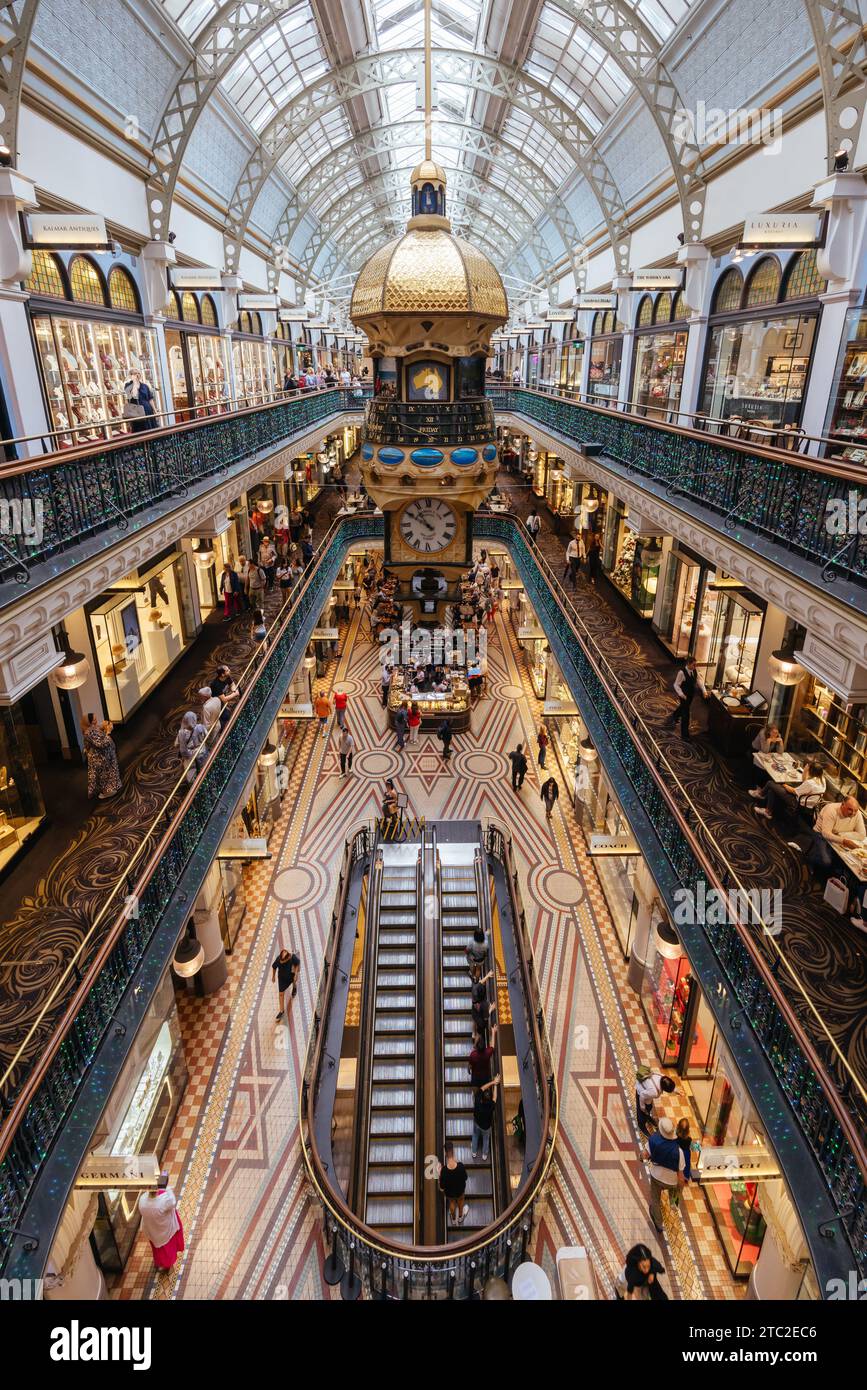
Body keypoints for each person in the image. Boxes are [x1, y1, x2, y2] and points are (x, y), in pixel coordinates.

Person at [751, 760, 826, 833]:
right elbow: (804, 782)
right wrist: (805, 771)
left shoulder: (811, 783)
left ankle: (760, 794)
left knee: (771, 783)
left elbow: (794, 791)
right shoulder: (822, 780)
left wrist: (783, 784)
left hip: (796, 802)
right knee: (772, 789)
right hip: (808, 805)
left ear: (811, 771)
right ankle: (768, 811)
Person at [804, 797, 866, 880]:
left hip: (840, 837)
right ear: (842, 805)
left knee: (851, 860)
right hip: (820, 835)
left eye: (855, 810)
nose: (853, 813)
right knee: (826, 861)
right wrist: (844, 841)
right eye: (850, 810)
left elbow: (862, 834)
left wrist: (841, 835)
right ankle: (810, 859)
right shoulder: (831, 810)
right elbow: (826, 834)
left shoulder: (857, 813)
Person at [645, 1115, 686, 1232]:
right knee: (674, 1190)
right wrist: (679, 1191)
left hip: (656, 1177)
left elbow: (644, 1155)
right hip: (671, 1181)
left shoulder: (653, 1140)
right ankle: (674, 1204)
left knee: (655, 1200)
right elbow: (681, 1178)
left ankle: (658, 1224)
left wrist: (641, 1157)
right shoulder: (679, 1152)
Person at [138, 1175, 184, 1270]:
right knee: (168, 1250)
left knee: (158, 1250)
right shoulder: (163, 1201)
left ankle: (160, 1262)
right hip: (165, 1230)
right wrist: (166, 1187)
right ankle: (167, 1265)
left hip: (152, 1231)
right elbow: (172, 1201)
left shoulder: (142, 1200)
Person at [665, 656, 707, 741]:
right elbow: (676, 685)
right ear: (688, 664)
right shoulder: (681, 672)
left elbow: (699, 680)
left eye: (695, 665)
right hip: (684, 696)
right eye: (694, 665)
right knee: (686, 715)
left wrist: (704, 691)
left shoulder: (694, 671)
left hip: (691, 695)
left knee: (684, 707)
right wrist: (682, 695)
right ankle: (685, 735)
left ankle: (675, 715)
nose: (695, 667)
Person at [84, 718, 122, 800]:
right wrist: (108, 731)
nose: (96, 721)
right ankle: (107, 791)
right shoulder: (89, 733)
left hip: (102, 756)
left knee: (108, 772)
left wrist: (103, 727)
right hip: (100, 757)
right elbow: (102, 743)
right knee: (105, 774)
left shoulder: (92, 730)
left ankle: (109, 788)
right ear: (88, 722)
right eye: (93, 719)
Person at [636, 1068, 676, 1136]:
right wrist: (642, 1108)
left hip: (647, 1092)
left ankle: (647, 1117)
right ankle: (641, 1125)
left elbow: (669, 1086)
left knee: (649, 1107)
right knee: (642, 1112)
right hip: (641, 1092)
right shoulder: (654, 1092)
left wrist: (676, 1091)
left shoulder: (663, 1078)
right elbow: (642, 1096)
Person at [438, 1141, 469, 1227]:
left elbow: (442, 1187)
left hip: (450, 1193)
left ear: (445, 1154)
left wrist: (439, 1174)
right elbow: (465, 1178)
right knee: (461, 1201)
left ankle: (453, 1218)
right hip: (460, 1191)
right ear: (453, 1152)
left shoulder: (444, 1170)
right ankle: (460, 1217)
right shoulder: (461, 1166)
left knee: (451, 1203)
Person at [471, 1073, 501, 1160]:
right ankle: (484, 1155)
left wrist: (493, 1082)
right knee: (486, 1139)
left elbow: (482, 1088)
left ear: (482, 1098)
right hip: (486, 1127)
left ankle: (474, 1152)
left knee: (475, 1135)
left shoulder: (477, 1100)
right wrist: (496, 1084)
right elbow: (495, 1097)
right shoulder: (491, 1105)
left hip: (477, 1123)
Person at [175, 710, 206, 782]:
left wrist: (188, 756)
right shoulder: (200, 727)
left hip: (190, 755)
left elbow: (183, 750)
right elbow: (206, 735)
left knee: (191, 774)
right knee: (204, 768)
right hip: (201, 751)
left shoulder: (182, 733)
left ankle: (195, 787)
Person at [272, 946, 300, 1020]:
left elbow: (297, 964)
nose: (281, 962)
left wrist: (296, 974)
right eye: (281, 960)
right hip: (282, 978)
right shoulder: (278, 959)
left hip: (290, 975)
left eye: (283, 961)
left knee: (294, 980)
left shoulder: (292, 957)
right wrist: (273, 976)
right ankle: (281, 1011)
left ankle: (294, 987)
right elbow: (274, 967)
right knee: (281, 993)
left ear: (287, 958)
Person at [210, 664, 240, 729]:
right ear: (223, 674)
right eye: (227, 670)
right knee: (224, 718)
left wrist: (234, 690)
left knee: (228, 715)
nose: (230, 671)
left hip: (222, 702)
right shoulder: (216, 685)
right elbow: (224, 699)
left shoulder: (227, 677)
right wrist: (235, 694)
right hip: (216, 704)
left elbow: (232, 684)